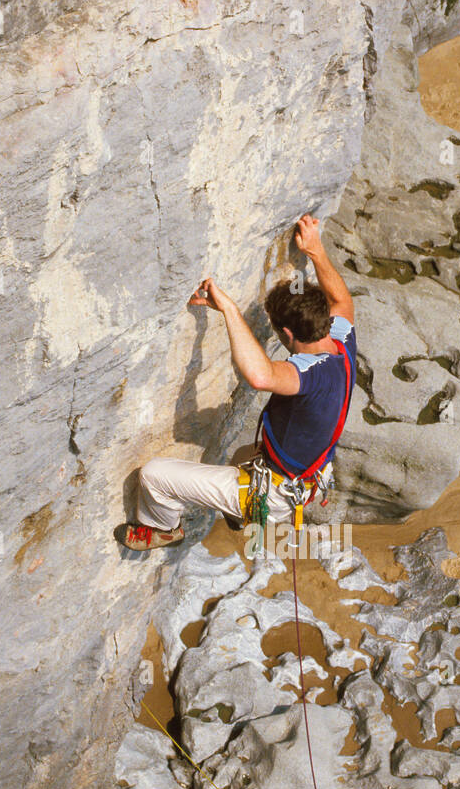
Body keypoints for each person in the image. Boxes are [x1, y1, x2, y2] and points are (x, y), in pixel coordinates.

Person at [121, 212, 356, 550]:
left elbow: (260, 375)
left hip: (277, 491)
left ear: (287, 334)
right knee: (242, 454)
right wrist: (315, 251)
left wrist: (228, 309)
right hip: (309, 476)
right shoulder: (342, 341)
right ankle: (240, 511)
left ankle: (164, 529)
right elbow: (342, 301)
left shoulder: (307, 375)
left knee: (155, 476)